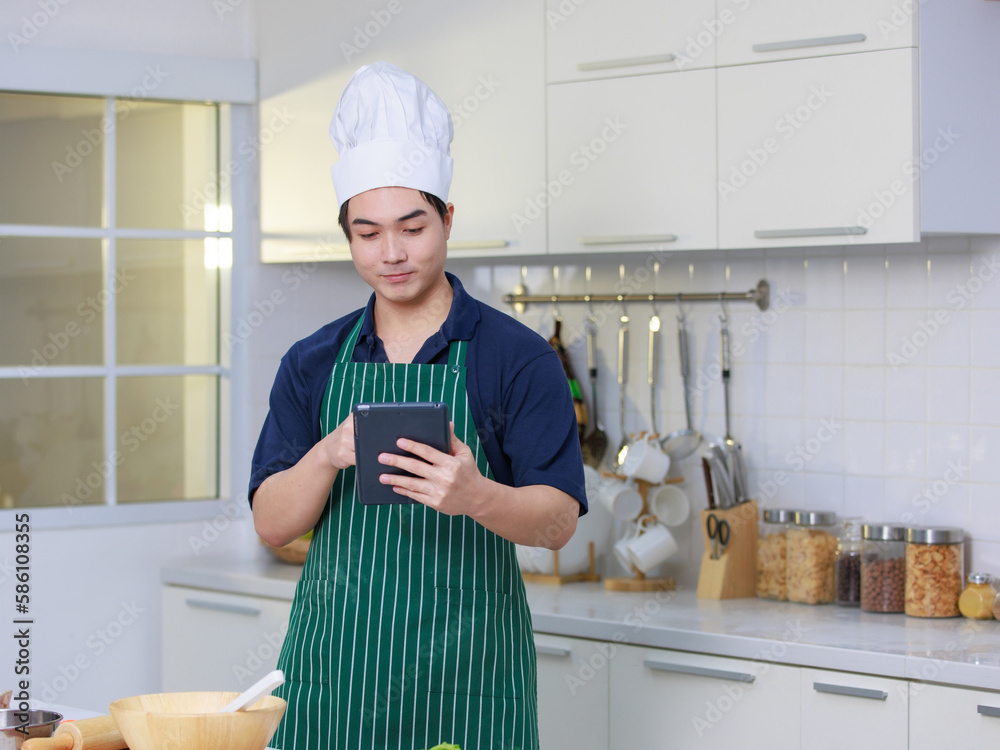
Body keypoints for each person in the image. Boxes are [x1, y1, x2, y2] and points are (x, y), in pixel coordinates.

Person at [249, 61, 587, 750]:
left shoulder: (514, 358)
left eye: (413, 227)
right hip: (333, 678)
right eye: (368, 234)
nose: (392, 253)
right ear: (347, 234)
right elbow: (271, 525)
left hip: (466, 681)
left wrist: (475, 496)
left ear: (448, 218)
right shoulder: (313, 361)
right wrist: (326, 454)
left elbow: (557, 525)